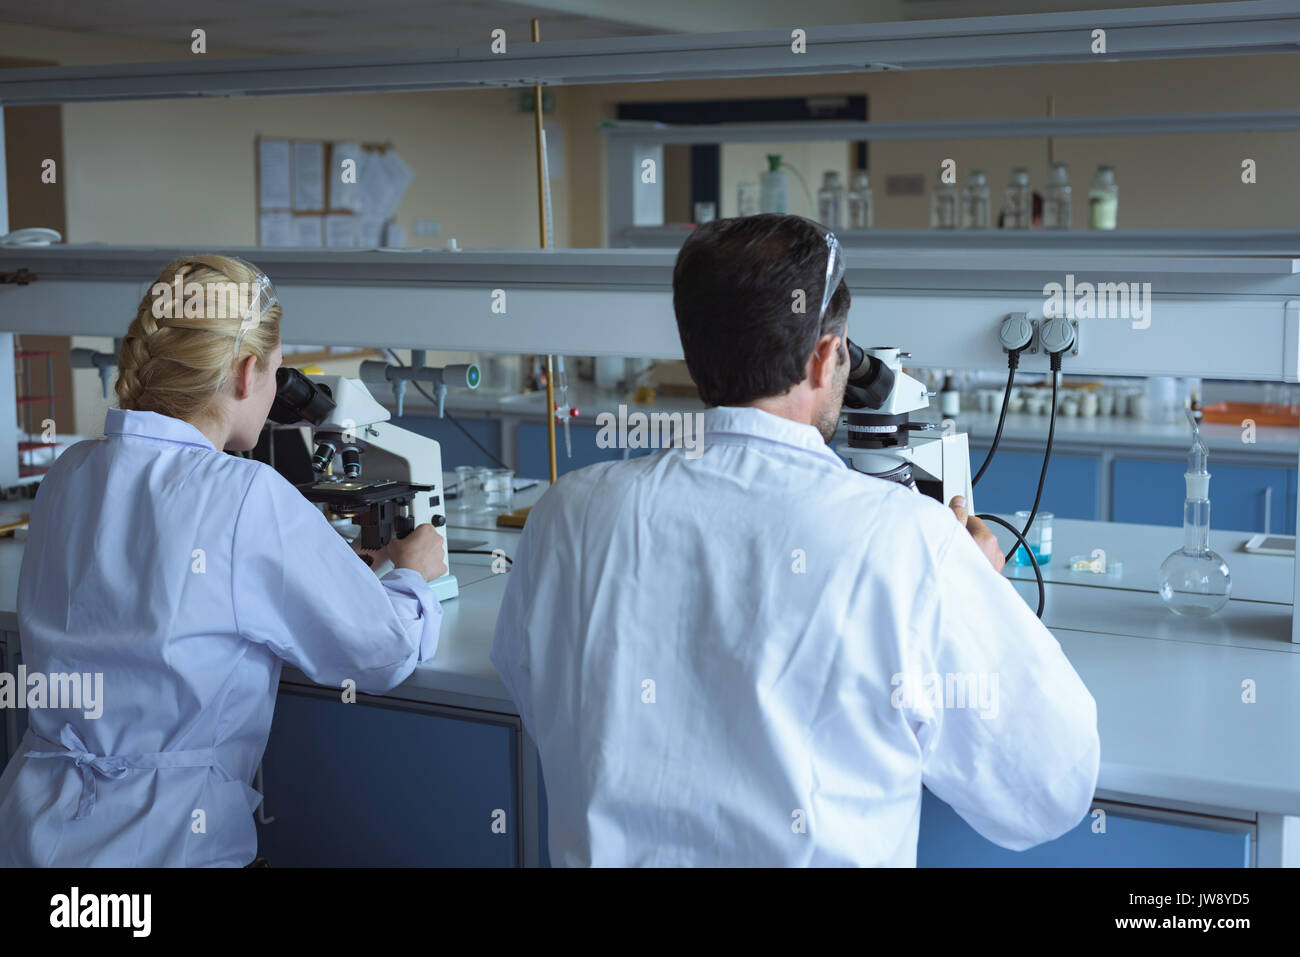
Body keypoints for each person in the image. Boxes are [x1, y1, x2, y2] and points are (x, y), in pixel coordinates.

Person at [492, 214, 1099, 866]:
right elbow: (1052, 786)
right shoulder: (909, 543)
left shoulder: (568, 515)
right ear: (823, 355)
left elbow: (535, 695)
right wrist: (984, 590)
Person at [0, 255, 447, 867]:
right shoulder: (242, 494)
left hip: (33, 835)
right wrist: (413, 575)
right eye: (273, 371)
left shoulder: (69, 470)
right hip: (166, 846)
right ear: (244, 373)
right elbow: (381, 651)